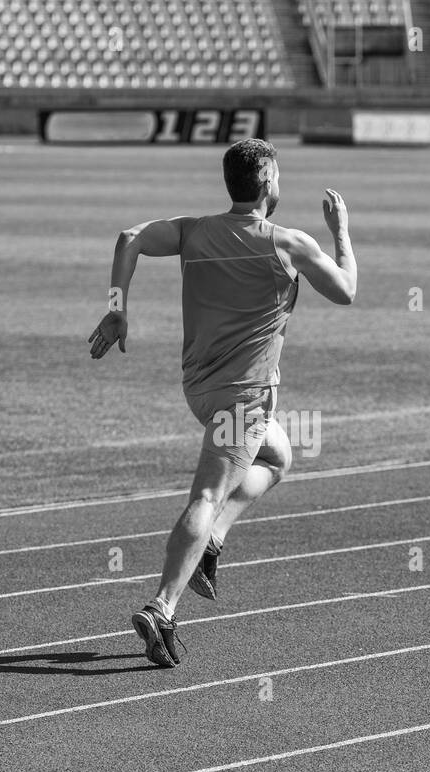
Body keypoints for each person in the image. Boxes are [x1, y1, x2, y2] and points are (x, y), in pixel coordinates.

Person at [88, 138, 357, 667]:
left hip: (201, 389)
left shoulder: (195, 231)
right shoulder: (287, 243)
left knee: (278, 457)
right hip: (243, 401)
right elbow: (346, 289)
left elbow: (131, 237)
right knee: (208, 494)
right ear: (267, 184)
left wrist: (117, 310)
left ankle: (211, 542)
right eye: (277, 175)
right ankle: (162, 606)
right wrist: (342, 232)